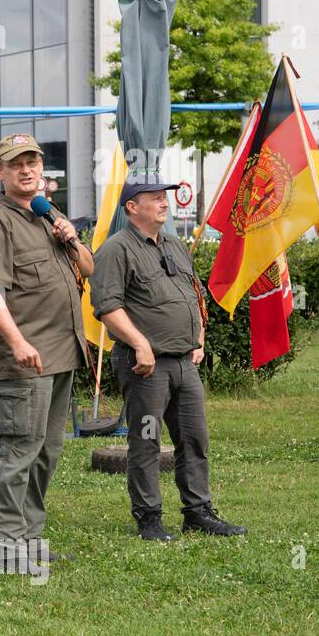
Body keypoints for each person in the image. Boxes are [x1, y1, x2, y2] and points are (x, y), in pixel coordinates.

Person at [89, 179, 245, 540]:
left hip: (183, 364)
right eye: (155, 198)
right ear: (132, 207)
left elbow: (195, 293)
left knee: (194, 439)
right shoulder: (116, 250)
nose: (164, 203)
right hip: (146, 367)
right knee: (146, 440)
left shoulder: (174, 244)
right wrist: (140, 343)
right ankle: (149, 518)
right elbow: (107, 307)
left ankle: (198, 512)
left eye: (165, 198)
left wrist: (199, 337)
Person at [0, 133, 93, 574]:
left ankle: (30, 539)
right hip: (24, 359)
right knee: (19, 450)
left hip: (62, 353)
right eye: (16, 164)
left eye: (33, 163)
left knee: (47, 452)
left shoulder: (48, 215)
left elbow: (88, 268)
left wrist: (72, 237)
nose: (27, 170)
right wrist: (18, 342)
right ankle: (7, 549)